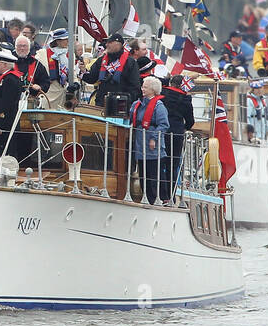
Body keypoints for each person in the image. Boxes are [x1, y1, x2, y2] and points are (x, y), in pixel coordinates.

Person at [128, 77, 170, 205]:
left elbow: (164, 125)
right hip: (140, 145)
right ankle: (146, 197)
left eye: (145, 87)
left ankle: (160, 199)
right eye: (143, 86)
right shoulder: (137, 104)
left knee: (155, 175)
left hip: (153, 147)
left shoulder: (159, 106)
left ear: (153, 90)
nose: (142, 89)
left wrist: (154, 138)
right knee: (143, 175)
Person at [158, 67, 195, 201]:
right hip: (177, 133)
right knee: (172, 165)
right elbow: (191, 121)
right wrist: (185, 128)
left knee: (159, 163)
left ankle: (161, 194)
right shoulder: (186, 99)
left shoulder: (162, 93)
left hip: (161, 132)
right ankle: (171, 195)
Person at [82, 33, 141, 115]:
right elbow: (92, 78)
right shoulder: (101, 60)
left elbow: (135, 87)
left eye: (110, 42)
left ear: (118, 44)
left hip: (120, 106)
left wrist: (127, 102)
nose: (107, 45)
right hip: (101, 103)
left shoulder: (130, 63)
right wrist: (83, 71)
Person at [0, 50, 28, 163]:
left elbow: (7, 103)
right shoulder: (3, 77)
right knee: (0, 150)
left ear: (5, 64)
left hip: (6, 122)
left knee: (7, 151)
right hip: (1, 121)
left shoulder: (10, 79)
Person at [38, 28, 73, 109]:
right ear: (58, 41)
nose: (68, 41)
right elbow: (38, 72)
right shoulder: (43, 53)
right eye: (65, 39)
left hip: (63, 93)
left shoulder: (70, 54)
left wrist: (75, 83)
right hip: (48, 93)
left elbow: (73, 72)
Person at [12, 35, 51, 105]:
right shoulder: (9, 62)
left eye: (24, 46)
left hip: (31, 100)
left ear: (29, 48)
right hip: (12, 99)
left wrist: (40, 87)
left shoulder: (37, 64)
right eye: (19, 46)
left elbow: (46, 82)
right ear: (15, 47)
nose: (22, 48)